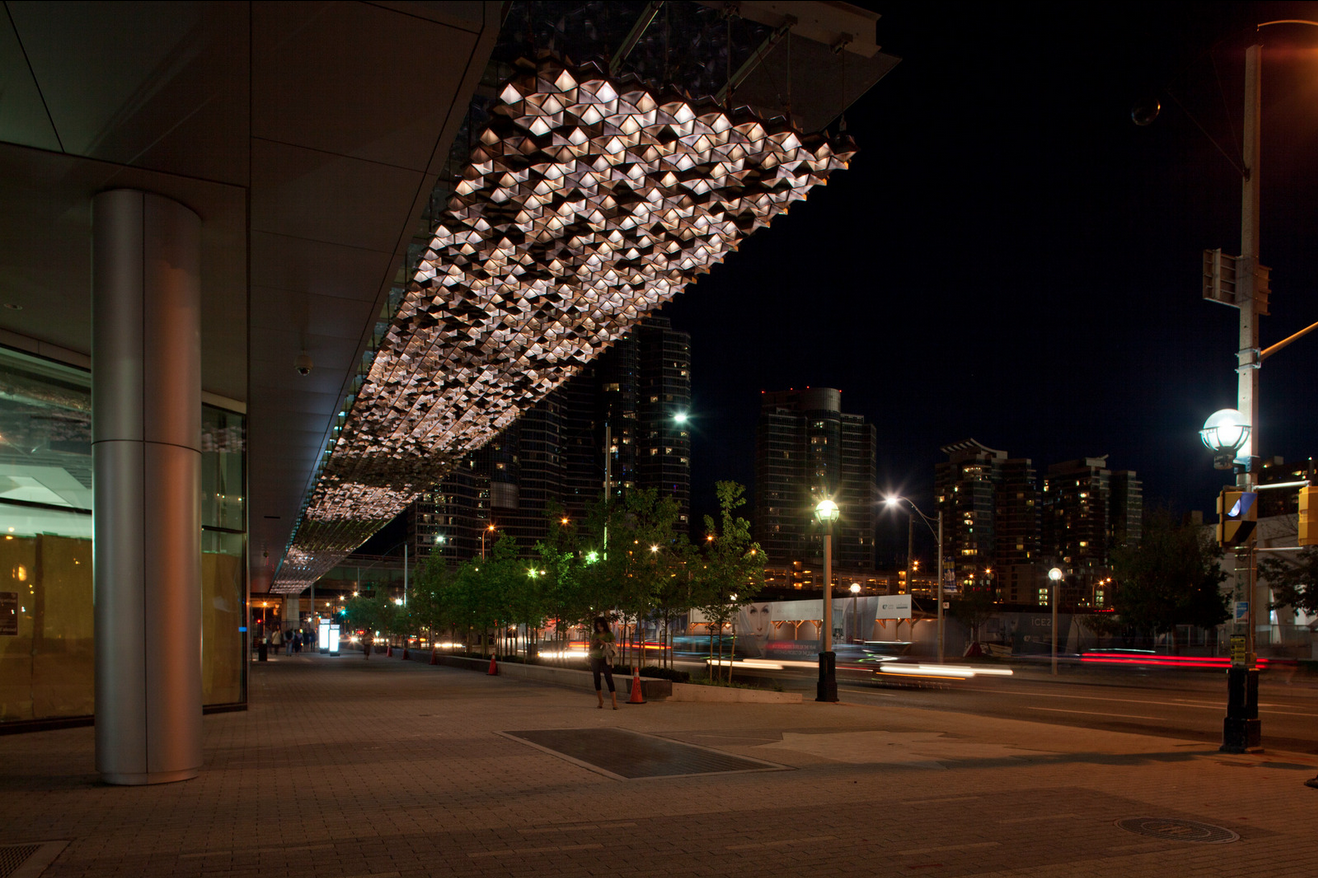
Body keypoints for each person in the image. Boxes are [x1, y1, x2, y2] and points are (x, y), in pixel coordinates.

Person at [588, 616, 617, 710]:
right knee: (596, 678)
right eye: (598, 626)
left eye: (601, 626)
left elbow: (614, 646)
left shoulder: (609, 634)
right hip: (595, 658)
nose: (599, 628)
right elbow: (590, 647)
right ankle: (600, 700)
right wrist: (595, 643)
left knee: (609, 678)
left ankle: (614, 702)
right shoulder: (595, 634)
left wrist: (605, 644)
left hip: (605, 658)